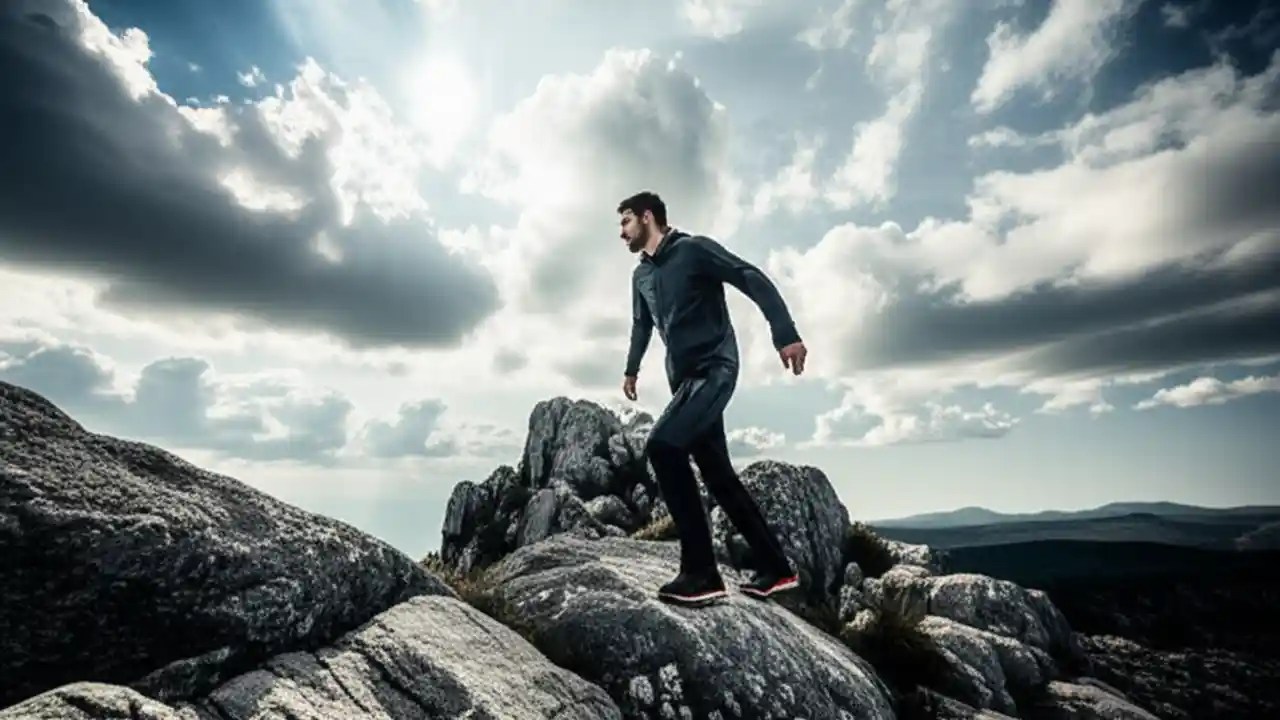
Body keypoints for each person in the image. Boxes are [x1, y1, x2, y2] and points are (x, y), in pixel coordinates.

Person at [617, 190, 808, 607]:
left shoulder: (694, 249)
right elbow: (641, 325)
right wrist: (632, 368)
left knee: (663, 447)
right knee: (718, 475)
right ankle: (776, 568)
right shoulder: (641, 276)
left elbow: (749, 276)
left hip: (715, 369)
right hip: (683, 382)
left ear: (648, 218)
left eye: (626, 221)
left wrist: (785, 333)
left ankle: (702, 572)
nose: (622, 232)